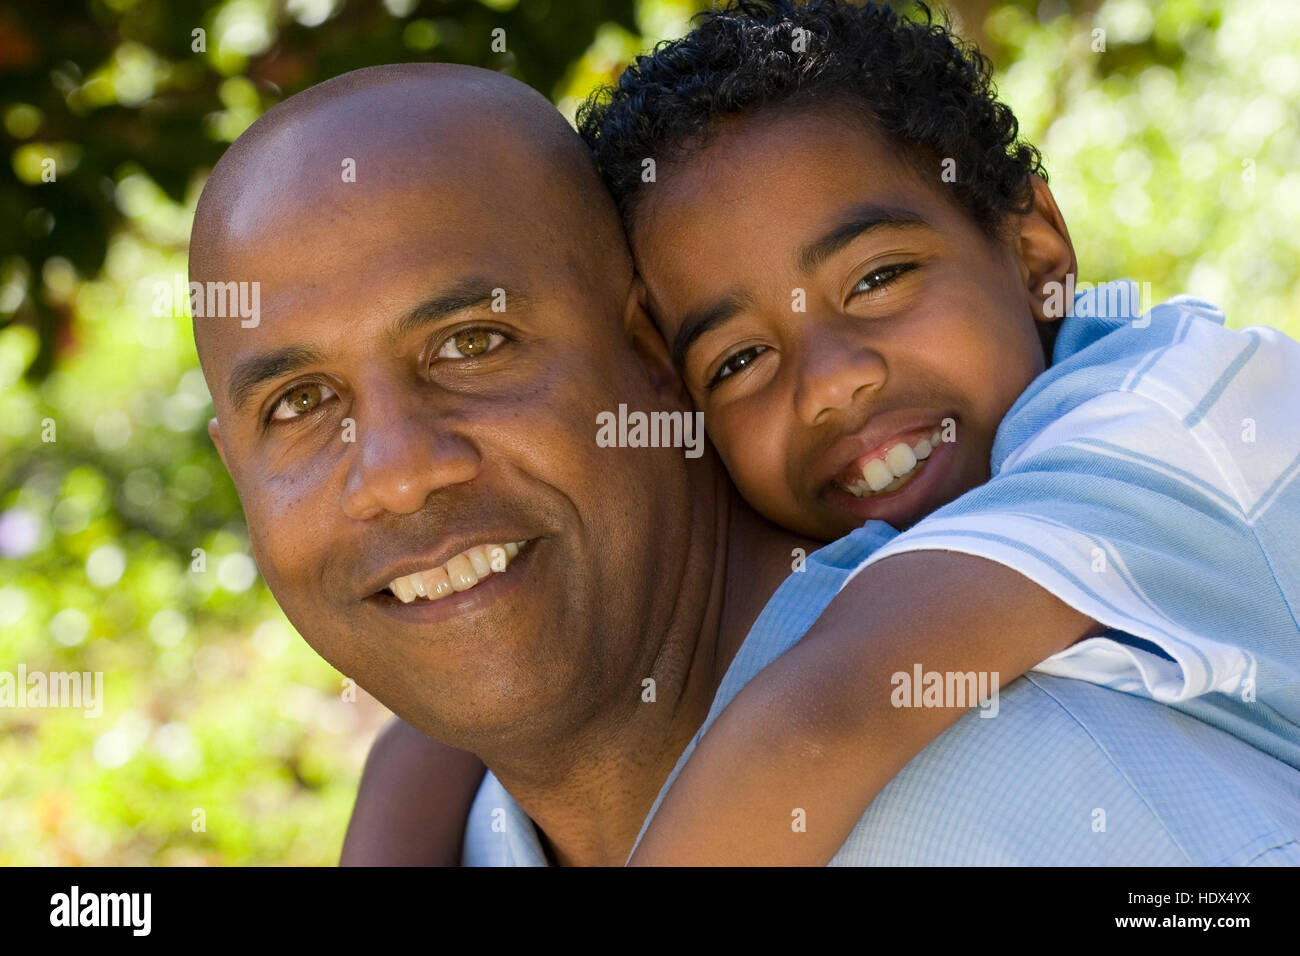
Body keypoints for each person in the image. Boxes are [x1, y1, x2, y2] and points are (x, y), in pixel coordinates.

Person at [189, 60, 1300, 868]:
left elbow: (819, 714)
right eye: (296, 403)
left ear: (648, 363)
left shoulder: (1166, 437)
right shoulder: (486, 809)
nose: (390, 473)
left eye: (473, 343)